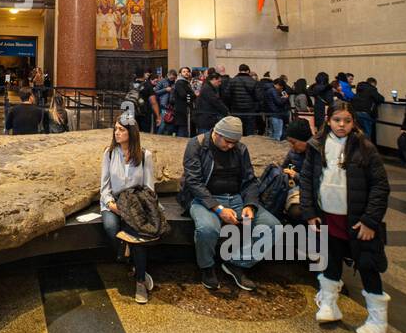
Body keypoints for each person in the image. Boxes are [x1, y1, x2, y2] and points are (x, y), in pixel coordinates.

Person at [299, 101, 391, 333]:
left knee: (368, 265)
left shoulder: (366, 148)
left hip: (357, 220)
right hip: (328, 216)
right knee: (330, 259)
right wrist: (309, 211)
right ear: (328, 120)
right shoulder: (316, 146)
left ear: (353, 122)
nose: (341, 125)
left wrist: (370, 220)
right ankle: (329, 302)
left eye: (346, 121)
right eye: (337, 120)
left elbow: (380, 186)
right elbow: (307, 179)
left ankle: (377, 319)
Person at [178, 115, 282, 292]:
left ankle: (237, 263)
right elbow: (194, 182)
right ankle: (207, 268)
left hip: (236, 198)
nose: (231, 146)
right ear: (216, 134)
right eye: (227, 141)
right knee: (207, 229)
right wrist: (218, 209)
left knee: (273, 226)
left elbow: (249, 180)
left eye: (234, 142)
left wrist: (250, 205)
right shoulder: (196, 145)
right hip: (205, 199)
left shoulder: (240, 149)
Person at [100, 113, 157, 305]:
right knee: (110, 227)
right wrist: (110, 204)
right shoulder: (109, 153)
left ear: (131, 132)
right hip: (114, 201)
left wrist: (134, 208)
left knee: (137, 235)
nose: (117, 133)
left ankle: (140, 280)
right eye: (115, 129)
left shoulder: (145, 155)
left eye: (121, 129)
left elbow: (149, 188)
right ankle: (129, 257)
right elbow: (105, 187)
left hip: (135, 203)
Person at [224, 64, 261, 137]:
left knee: (236, 131)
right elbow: (259, 97)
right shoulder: (253, 81)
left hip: (235, 110)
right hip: (250, 111)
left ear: (239, 70)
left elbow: (226, 95)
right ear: (248, 71)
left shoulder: (232, 81)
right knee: (249, 133)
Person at [192, 68, 231, 136]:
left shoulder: (208, 87)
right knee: (204, 138)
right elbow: (216, 101)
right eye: (219, 81)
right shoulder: (207, 88)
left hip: (207, 117)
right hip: (205, 118)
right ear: (213, 79)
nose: (220, 83)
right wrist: (226, 111)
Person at [350, 76, 384, 143]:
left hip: (355, 112)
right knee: (367, 133)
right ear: (373, 84)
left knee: (358, 132)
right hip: (365, 113)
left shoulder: (359, 88)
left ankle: (358, 149)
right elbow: (380, 99)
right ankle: (367, 150)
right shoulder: (371, 89)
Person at [170, 67, 196, 138]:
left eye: (187, 71)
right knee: (182, 128)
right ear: (180, 73)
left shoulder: (186, 83)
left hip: (186, 109)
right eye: (184, 71)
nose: (186, 73)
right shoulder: (179, 83)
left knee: (185, 128)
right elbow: (183, 94)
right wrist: (193, 95)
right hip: (181, 110)